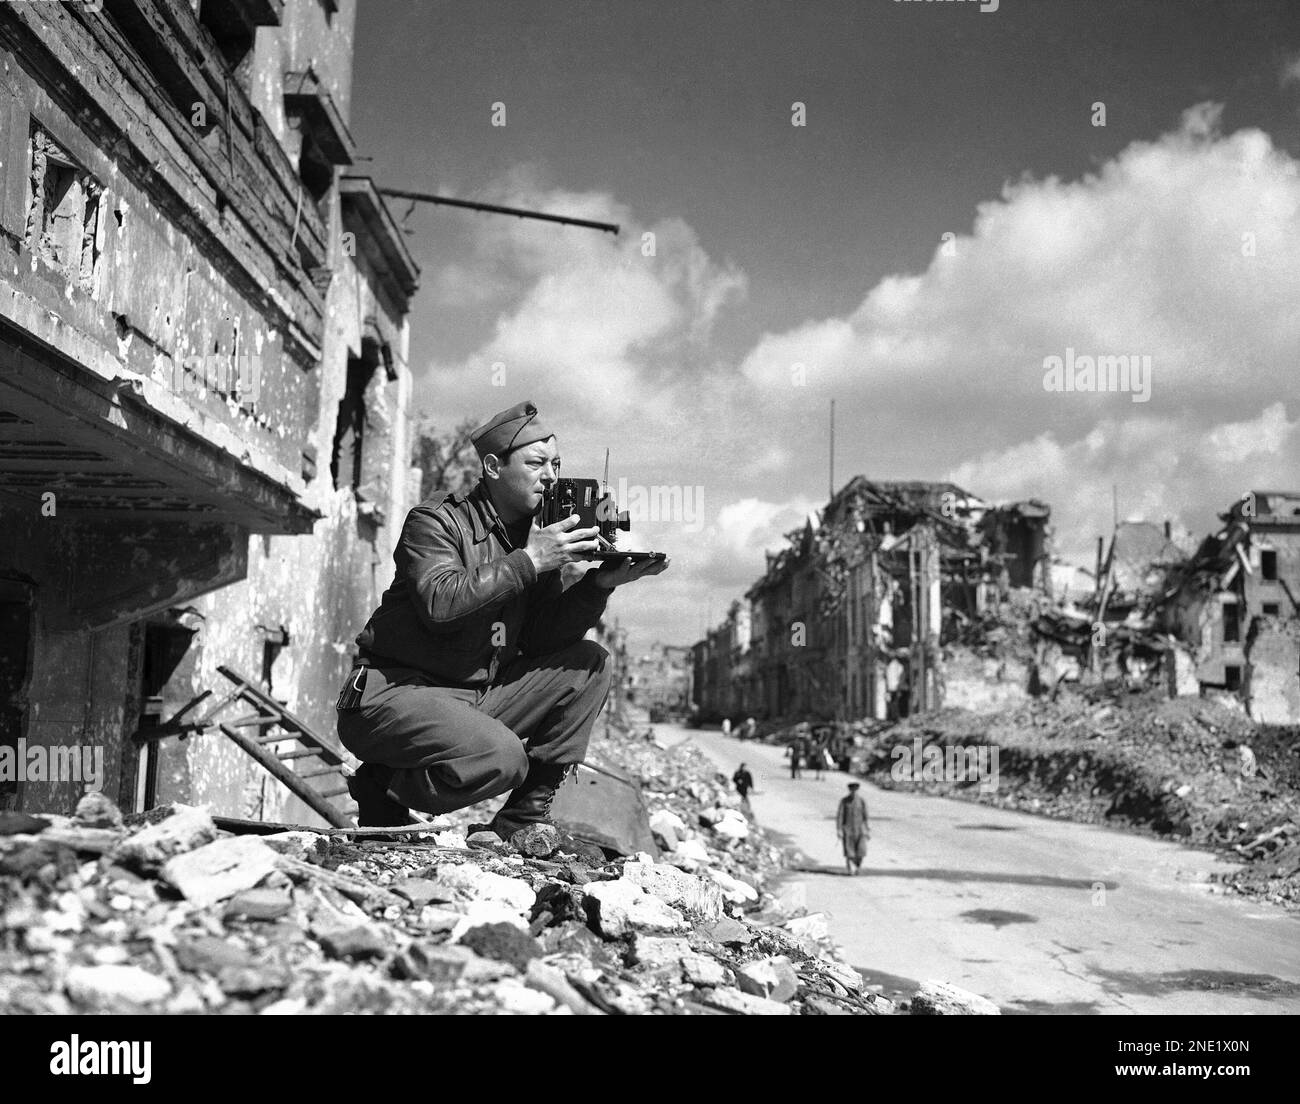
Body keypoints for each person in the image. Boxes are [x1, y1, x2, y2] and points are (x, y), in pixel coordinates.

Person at [336, 400, 670, 845]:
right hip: (392, 693)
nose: (550, 476)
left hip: (471, 695)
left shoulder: (533, 537)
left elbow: (539, 639)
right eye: (536, 463)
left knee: (589, 664)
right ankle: (381, 785)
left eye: (555, 464)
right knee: (503, 757)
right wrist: (531, 560)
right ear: (493, 466)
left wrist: (598, 586)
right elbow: (441, 604)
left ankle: (522, 818)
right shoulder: (436, 521)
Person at [836, 781, 870, 876]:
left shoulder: (862, 801)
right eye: (852, 790)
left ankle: (858, 867)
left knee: (861, 851)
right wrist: (839, 830)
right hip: (848, 830)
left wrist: (867, 829)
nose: (853, 792)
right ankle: (850, 869)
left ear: (857, 790)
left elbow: (865, 816)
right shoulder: (844, 801)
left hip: (860, 829)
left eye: (855, 790)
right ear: (849, 790)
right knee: (849, 851)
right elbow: (840, 816)